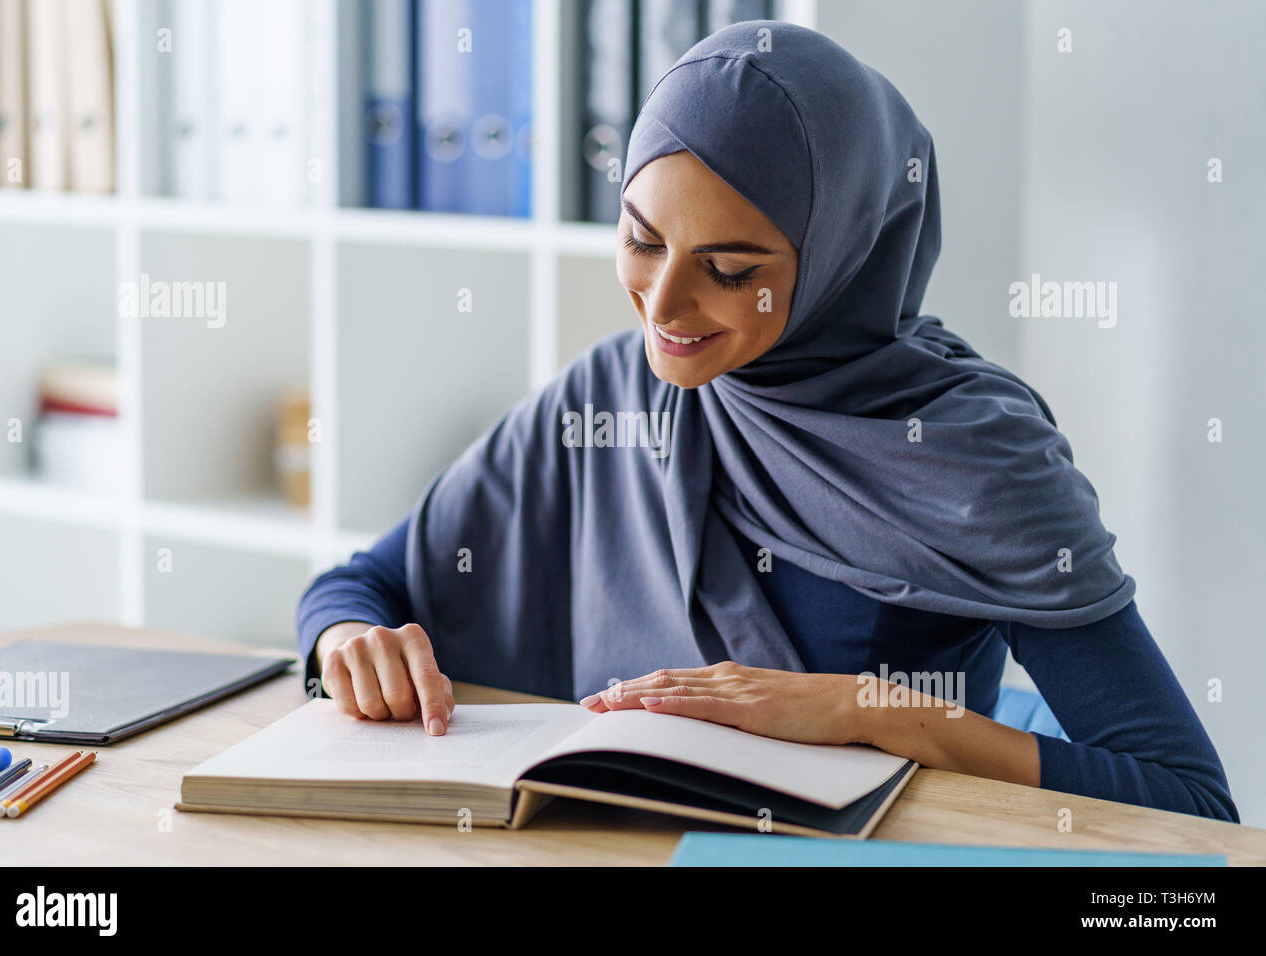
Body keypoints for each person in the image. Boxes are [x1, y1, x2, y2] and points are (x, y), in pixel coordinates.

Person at [297, 21, 1237, 822]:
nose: (663, 303)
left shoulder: (976, 458)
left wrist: (873, 712)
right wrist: (351, 646)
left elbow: (1187, 798)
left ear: (840, 255)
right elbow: (361, 585)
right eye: (641, 238)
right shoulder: (617, 395)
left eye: (731, 269)